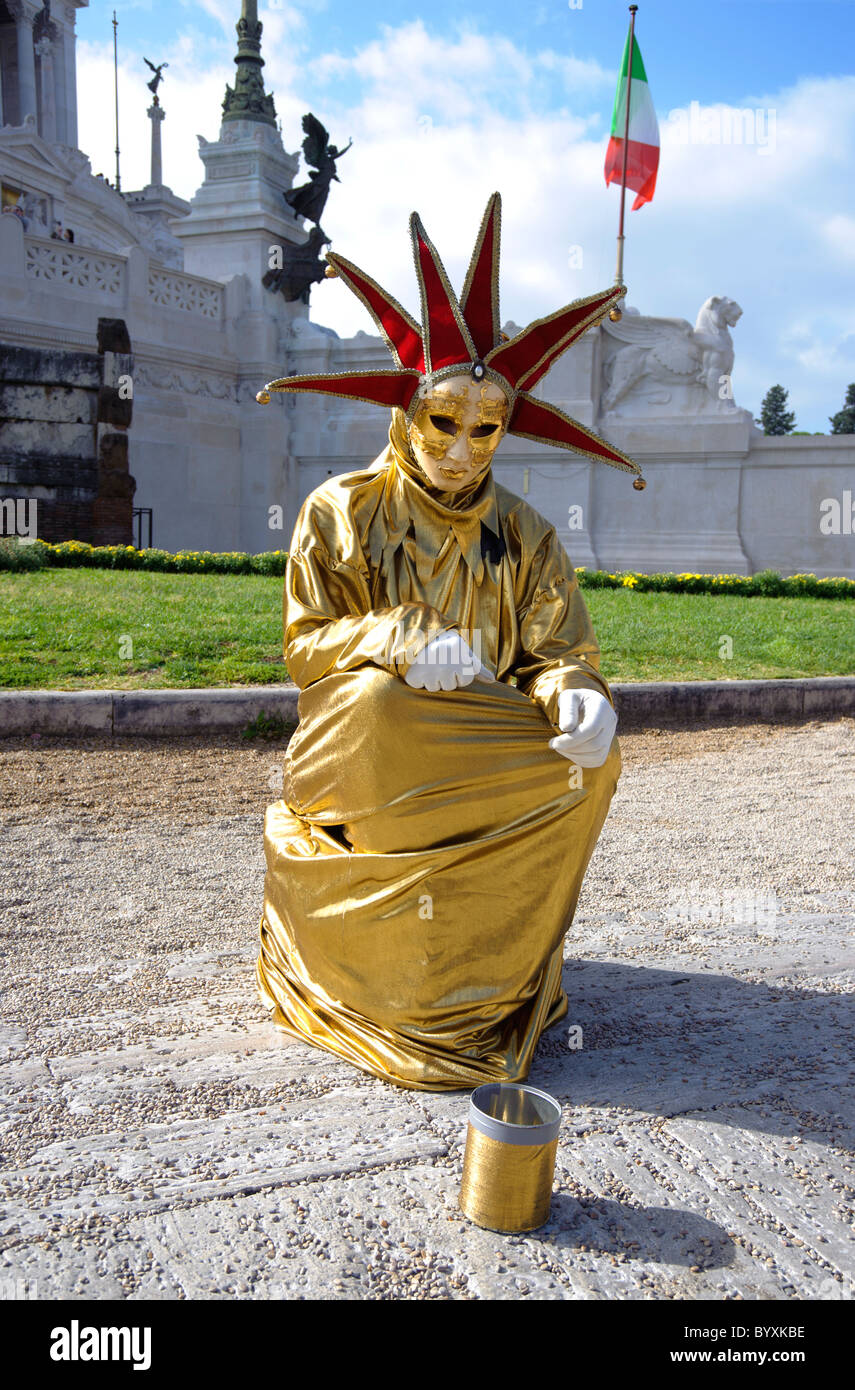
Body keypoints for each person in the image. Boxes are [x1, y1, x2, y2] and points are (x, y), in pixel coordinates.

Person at [254, 192, 645, 1091]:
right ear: (403, 410)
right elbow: (309, 649)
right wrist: (396, 638)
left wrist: (576, 692)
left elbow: (556, 649)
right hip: (368, 742)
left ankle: (487, 978)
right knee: (379, 696)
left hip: (474, 738)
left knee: (592, 761)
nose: (462, 449)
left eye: (485, 428)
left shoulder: (528, 534)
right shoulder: (340, 511)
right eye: (442, 421)